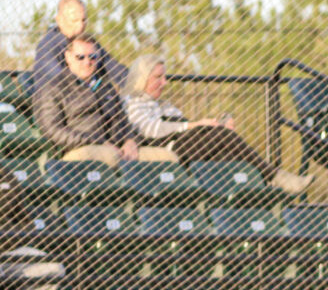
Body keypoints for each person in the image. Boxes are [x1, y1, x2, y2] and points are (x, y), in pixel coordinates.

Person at [120, 54, 311, 193]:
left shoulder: (163, 104)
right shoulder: (134, 101)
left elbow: (186, 125)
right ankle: (275, 178)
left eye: (164, 77)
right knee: (224, 137)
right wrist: (194, 126)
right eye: (158, 78)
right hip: (173, 147)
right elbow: (149, 129)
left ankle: (259, 194)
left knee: (227, 150)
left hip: (188, 143)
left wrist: (213, 125)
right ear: (142, 78)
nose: (165, 82)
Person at [32, 35, 142, 167]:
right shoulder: (53, 88)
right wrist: (96, 142)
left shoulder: (106, 86)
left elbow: (123, 120)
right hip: (79, 148)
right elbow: (53, 129)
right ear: (68, 57)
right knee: (112, 157)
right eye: (80, 57)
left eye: (92, 57)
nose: (87, 62)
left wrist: (130, 140)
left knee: (163, 157)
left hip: (117, 147)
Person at [31, 0, 126, 87]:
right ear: (59, 20)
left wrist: (135, 82)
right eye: (74, 20)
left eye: (83, 20)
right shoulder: (48, 45)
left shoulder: (88, 44)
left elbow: (116, 70)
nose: (81, 26)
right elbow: (58, 80)